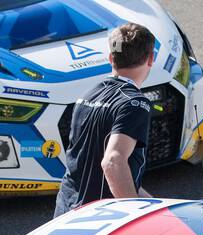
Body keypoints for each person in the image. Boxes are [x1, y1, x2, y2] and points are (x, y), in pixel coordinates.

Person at [52, 22, 156, 218]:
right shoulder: (135, 103)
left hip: (66, 211)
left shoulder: (87, 95)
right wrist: (137, 216)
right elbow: (113, 162)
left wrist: (156, 207)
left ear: (111, 58)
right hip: (99, 218)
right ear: (151, 58)